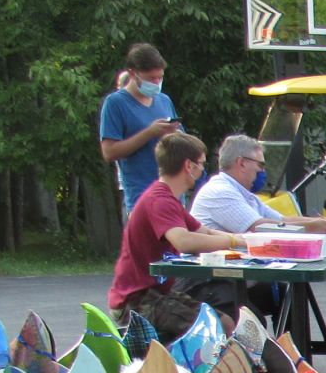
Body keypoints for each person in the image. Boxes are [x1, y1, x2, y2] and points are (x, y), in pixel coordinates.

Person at [105, 132, 250, 341]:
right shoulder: (160, 200)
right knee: (216, 327)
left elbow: (204, 231)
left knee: (225, 322)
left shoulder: (168, 199)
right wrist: (232, 241)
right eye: (201, 164)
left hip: (156, 295)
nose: (202, 169)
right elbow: (184, 240)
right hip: (137, 301)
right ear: (189, 166)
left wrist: (244, 241)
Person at [99, 43, 179, 218]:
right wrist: (149, 133)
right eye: (151, 78)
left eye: (160, 77)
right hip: (141, 195)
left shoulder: (164, 100)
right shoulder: (115, 103)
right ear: (134, 73)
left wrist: (176, 136)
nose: (157, 83)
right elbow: (109, 152)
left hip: (174, 193)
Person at [191, 134, 326, 233]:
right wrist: (313, 226)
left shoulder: (245, 195)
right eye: (260, 165)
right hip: (210, 275)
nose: (262, 171)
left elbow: (281, 220)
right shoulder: (219, 191)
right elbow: (259, 227)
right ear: (242, 163)